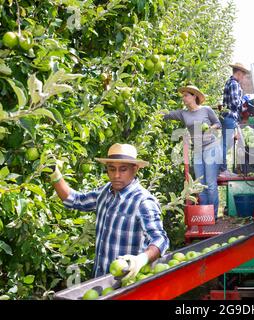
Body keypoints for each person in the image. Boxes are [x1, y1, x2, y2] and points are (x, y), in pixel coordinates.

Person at [49, 143, 169, 281]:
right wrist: (55, 174)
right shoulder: (105, 192)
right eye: (111, 169)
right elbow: (75, 200)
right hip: (100, 280)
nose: (116, 175)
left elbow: (160, 239)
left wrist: (140, 260)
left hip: (125, 282)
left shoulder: (142, 201)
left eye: (123, 169)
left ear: (134, 169)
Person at [163, 85, 222, 219]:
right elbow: (168, 114)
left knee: (211, 184)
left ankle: (213, 215)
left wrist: (210, 129)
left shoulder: (206, 110)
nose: (183, 98)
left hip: (210, 148)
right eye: (183, 96)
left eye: (186, 95)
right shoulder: (184, 114)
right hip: (197, 150)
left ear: (194, 96)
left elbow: (218, 123)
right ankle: (205, 216)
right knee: (199, 185)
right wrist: (156, 113)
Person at [220, 62, 250, 177]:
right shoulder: (234, 84)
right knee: (225, 144)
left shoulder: (229, 82)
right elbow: (235, 103)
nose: (243, 77)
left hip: (227, 117)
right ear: (238, 72)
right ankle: (222, 170)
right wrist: (244, 100)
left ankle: (221, 168)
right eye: (243, 74)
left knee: (226, 144)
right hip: (230, 117)